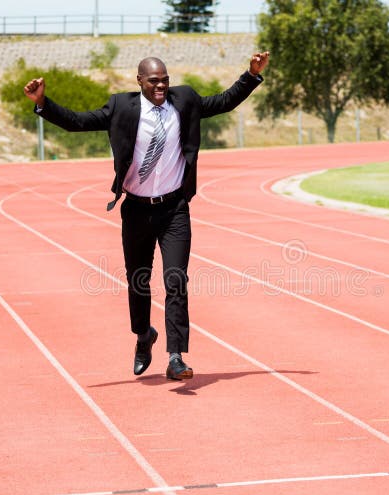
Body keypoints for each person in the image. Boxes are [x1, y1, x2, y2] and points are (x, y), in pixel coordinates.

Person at [24, 51, 270, 381]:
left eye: (165, 80)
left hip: (173, 209)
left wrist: (251, 75)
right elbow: (78, 122)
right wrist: (43, 102)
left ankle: (176, 357)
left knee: (176, 280)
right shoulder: (121, 107)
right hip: (137, 209)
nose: (161, 85)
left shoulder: (184, 100)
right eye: (154, 80)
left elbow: (224, 101)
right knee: (138, 281)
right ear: (139, 80)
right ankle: (144, 336)